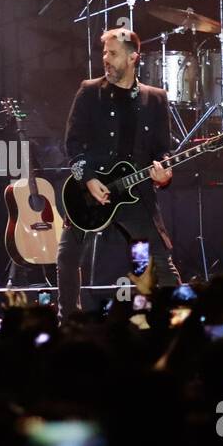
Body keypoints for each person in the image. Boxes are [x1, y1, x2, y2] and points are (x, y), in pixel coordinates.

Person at [56, 28, 181, 316]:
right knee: (67, 255)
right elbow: (72, 143)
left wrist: (165, 173)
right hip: (91, 189)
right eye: (104, 53)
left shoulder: (155, 98)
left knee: (156, 260)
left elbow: (163, 150)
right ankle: (68, 318)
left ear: (133, 57)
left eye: (113, 54)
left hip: (134, 193)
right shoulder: (89, 91)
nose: (106, 59)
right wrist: (87, 178)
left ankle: (173, 319)